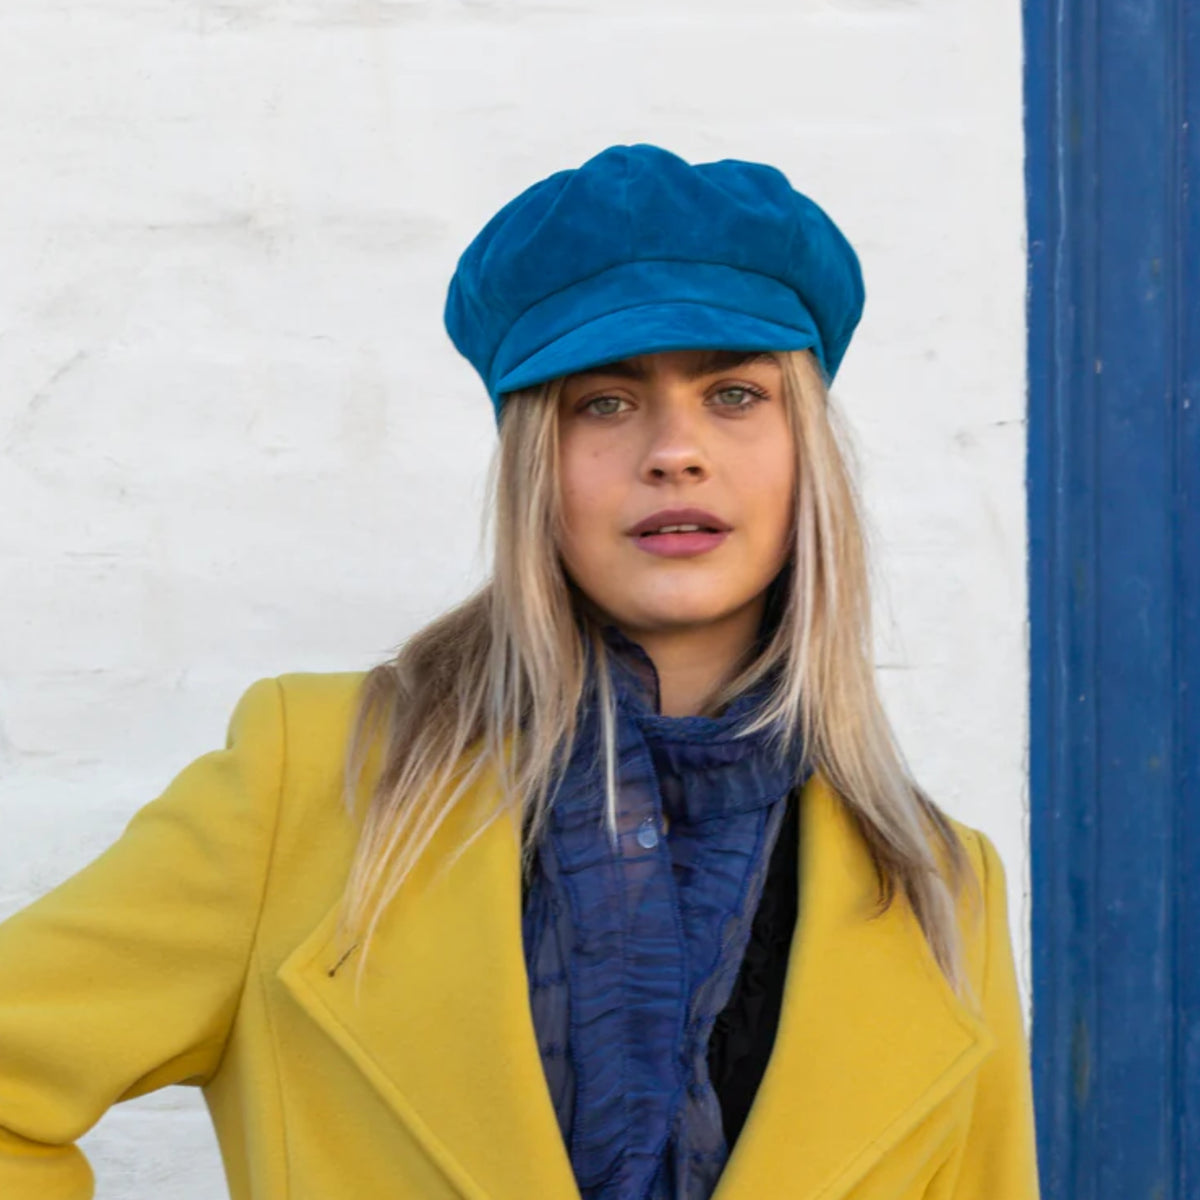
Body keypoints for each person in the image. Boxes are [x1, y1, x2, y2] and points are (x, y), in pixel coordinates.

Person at [0, 143, 1039, 1199]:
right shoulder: (311, 785)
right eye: (605, 402)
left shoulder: (941, 887)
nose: (676, 450)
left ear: (803, 450)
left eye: (734, 394)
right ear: (534, 461)